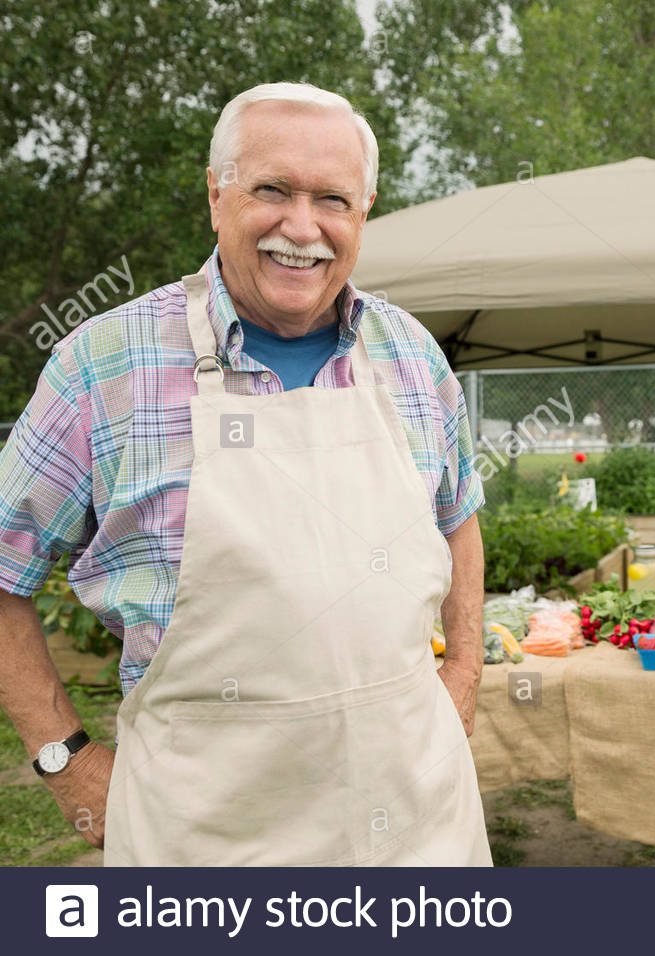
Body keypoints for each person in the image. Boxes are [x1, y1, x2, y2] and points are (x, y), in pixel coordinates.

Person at [0, 82, 492, 866]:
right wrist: (66, 760)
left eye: (332, 198)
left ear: (362, 212)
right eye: (273, 190)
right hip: (204, 848)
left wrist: (465, 671)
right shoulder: (103, 367)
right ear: (216, 194)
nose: (303, 228)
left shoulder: (409, 354)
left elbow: (458, 515)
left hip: (419, 832)